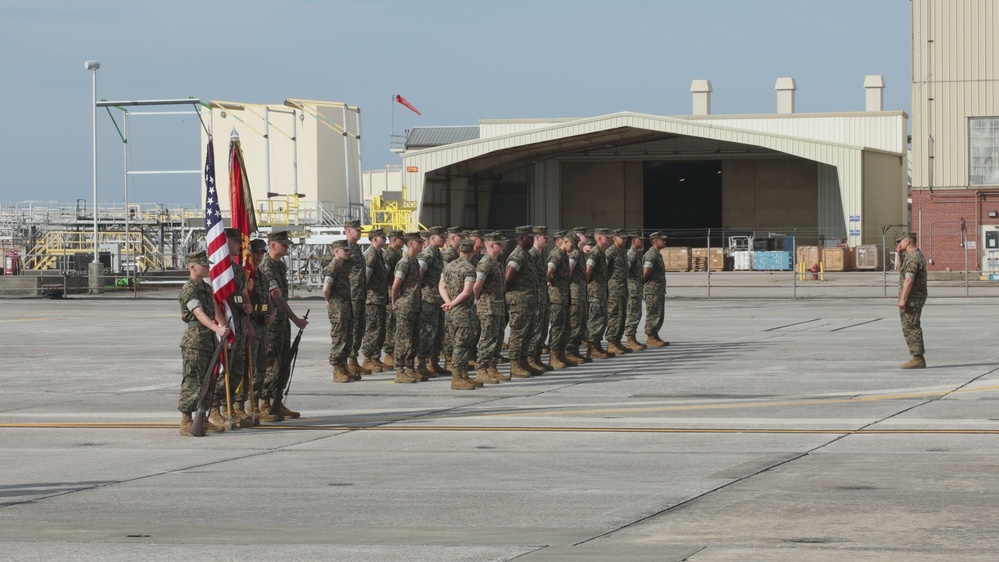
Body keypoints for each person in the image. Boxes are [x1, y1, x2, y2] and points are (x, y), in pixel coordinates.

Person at [177, 251, 231, 436]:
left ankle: (203, 416)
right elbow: (199, 313)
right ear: (192, 267)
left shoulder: (206, 288)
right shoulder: (189, 289)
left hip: (208, 339)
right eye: (203, 265)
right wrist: (217, 328)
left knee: (209, 379)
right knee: (193, 380)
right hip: (195, 341)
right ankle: (186, 420)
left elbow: (214, 309)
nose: (208, 267)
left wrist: (222, 323)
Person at [259, 230, 309, 419]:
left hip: (281, 322)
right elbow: (276, 296)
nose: (287, 247)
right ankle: (265, 403)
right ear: (273, 245)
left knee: (283, 363)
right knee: (271, 362)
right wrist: (295, 318)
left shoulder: (279, 265)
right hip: (271, 323)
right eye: (284, 244)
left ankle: (276, 401)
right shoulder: (267, 266)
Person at [212, 228, 253, 430]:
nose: (240, 246)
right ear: (225, 241)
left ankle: (229, 408)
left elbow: (243, 294)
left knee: (236, 370)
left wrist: (248, 311)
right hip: (225, 325)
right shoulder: (217, 269)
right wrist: (221, 324)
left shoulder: (237, 270)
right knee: (222, 370)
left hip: (238, 323)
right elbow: (215, 299)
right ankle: (213, 408)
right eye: (236, 241)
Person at [439, 238, 480, 390]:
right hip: (462, 311)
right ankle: (457, 377)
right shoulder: (469, 269)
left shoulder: (448, 267)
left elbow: (441, 286)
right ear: (473, 251)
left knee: (457, 343)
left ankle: (463, 375)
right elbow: (467, 292)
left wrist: (448, 302)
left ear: (459, 251)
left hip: (451, 311)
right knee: (462, 345)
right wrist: (453, 303)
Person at [246, 238, 277, 422]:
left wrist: (272, 314)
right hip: (251, 326)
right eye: (256, 252)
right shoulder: (246, 276)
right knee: (249, 369)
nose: (259, 255)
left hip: (263, 327)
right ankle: (242, 406)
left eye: (261, 253)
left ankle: (255, 405)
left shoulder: (263, 277)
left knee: (261, 369)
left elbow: (268, 300)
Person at [473, 232, 510, 384]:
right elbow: (477, 286)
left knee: (498, 338)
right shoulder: (485, 263)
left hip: (498, 306)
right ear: (491, 245)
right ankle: (482, 370)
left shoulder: (497, 262)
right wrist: (477, 300)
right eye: (500, 244)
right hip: (488, 308)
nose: (503, 247)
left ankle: (492, 368)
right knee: (487, 339)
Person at [505, 225, 541, 377]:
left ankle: (524, 360)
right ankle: (514, 364)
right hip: (519, 302)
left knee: (528, 333)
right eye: (530, 237)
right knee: (518, 333)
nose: (533, 240)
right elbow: (508, 279)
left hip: (529, 302)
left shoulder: (527, 255)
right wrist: (515, 297)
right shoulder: (517, 256)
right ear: (521, 238)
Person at [391, 232, 425, 383]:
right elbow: (396, 285)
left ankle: (410, 367)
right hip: (405, 305)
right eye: (418, 242)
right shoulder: (404, 262)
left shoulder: (414, 261)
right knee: (403, 338)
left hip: (415, 305)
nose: (421, 244)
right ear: (411, 243)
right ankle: (399, 370)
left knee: (414, 338)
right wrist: (394, 302)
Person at [417, 226, 449, 378]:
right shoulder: (427, 254)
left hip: (438, 299)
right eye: (441, 236)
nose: (444, 239)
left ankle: (434, 363)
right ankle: (421, 364)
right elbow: (419, 274)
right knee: (428, 332)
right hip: (428, 299)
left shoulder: (438, 254)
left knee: (437, 333)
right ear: (432, 238)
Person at [546, 230, 578, 369]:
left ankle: (561, 353)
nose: (574, 247)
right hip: (556, 297)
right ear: (565, 242)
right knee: (557, 327)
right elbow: (548, 272)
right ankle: (553, 357)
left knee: (565, 327)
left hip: (564, 296)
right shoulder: (557, 254)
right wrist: (552, 283)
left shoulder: (565, 255)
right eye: (572, 244)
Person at [323, 240, 353, 382]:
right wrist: (330, 301)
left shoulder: (342, 267)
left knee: (346, 338)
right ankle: (337, 369)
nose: (348, 252)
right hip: (338, 308)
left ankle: (343, 366)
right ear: (336, 252)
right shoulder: (333, 267)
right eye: (344, 250)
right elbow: (326, 288)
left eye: (348, 250)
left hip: (346, 307)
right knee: (339, 339)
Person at [897, 232, 928, 368]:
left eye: (901, 242)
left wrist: (903, 299)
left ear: (908, 242)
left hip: (912, 298)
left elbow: (909, 280)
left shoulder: (914, 258)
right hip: (913, 297)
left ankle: (918, 358)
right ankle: (916, 357)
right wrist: (898, 254)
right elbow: (900, 271)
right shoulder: (910, 257)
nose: (900, 244)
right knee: (909, 326)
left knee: (911, 326)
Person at [361, 228, 388, 373]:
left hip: (380, 298)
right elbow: (365, 278)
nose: (385, 239)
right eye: (382, 237)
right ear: (375, 239)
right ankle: (367, 358)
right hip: (372, 299)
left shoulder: (379, 254)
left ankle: (375, 357)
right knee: (372, 329)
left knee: (380, 330)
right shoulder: (370, 255)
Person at [344, 219, 368, 377]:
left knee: (359, 328)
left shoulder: (357, 248)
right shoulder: (344, 249)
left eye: (360, 230)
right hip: (351, 294)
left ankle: (353, 360)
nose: (359, 232)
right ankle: (348, 361)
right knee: (350, 329)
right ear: (347, 231)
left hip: (360, 294)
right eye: (356, 230)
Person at [528, 225, 553, 372]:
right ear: (537, 238)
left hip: (543, 297)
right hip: (535, 298)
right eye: (545, 237)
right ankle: (530, 359)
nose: (547, 239)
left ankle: (537, 358)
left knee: (542, 330)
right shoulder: (531, 255)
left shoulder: (543, 254)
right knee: (535, 330)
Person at [586, 228, 614, 359]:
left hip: (602, 292)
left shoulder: (602, 253)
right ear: (599, 239)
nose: (609, 239)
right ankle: (592, 348)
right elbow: (588, 271)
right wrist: (589, 288)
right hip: (595, 293)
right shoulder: (594, 253)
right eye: (606, 237)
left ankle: (597, 345)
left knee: (602, 320)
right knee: (595, 320)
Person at [440, 226, 465, 372]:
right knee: (449, 330)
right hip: (448, 298)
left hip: (453, 298)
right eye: (460, 237)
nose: (462, 240)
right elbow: (443, 278)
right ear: (454, 239)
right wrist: (448, 300)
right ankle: (448, 360)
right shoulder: (448, 255)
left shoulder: (455, 254)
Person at [604, 229, 631, 355]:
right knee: (614, 316)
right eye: (622, 238)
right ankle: (611, 342)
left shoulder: (623, 252)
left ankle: (618, 340)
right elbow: (603, 270)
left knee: (622, 316)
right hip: (614, 290)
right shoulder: (610, 252)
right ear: (615, 238)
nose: (625, 240)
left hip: (623, 289)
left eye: (626, 238)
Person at [381, 230, 405, 368]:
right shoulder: (389, 255)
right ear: (395, 240)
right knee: (390, 324)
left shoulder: (396, 254)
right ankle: (389, 353)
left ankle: (394, 351)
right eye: (401, 239)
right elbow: (384, 276)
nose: (403, 242)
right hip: (390, 292)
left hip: (395, 292)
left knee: (395, 323)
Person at [567, 227, 591, 364]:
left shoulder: (580, 253)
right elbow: (568, 272)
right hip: (575, 294)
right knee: (574, 323)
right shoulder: (574, 253)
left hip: (581, 293)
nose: (587, 238)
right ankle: (569, 351)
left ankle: (575, 350)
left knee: (580, 324)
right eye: (584, 235)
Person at [642, 232, 669, 347]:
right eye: (662, 240)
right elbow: (646, 272)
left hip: (658, 289)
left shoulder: (657, 254)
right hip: (652, 290)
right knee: (653, 313)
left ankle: (655, 334)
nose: (664, 241)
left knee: (659, 313)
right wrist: (643, 285)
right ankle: (650, 336)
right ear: (655, 241)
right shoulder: (651, 255)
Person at [624, 231, 647, 351]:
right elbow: (625, 271)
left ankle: (632, 337)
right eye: (640, 240)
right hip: (632, 290)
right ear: (634, 241)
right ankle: (629, 339)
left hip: (636, 289)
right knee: (632, 313)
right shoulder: (631, 254)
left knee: (637, 313)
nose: (643, 242)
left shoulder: (637, 254)